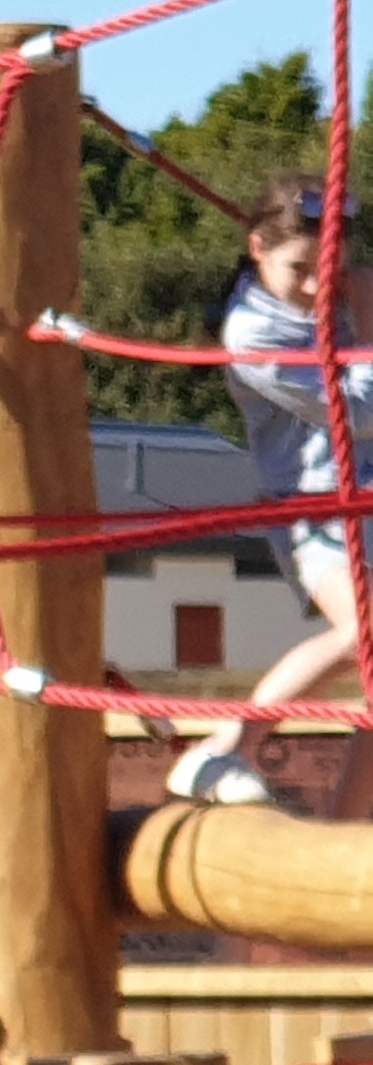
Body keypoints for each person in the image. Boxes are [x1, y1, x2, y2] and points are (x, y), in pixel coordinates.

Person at [177, 173, 373, 814]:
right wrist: (367, 323)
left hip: (363, 499)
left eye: (332, 268)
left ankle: (351, 828)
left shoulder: (338, 294)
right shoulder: (252, 337)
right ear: (257, 246)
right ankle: (226, 746)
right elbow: (357, 410)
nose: (319, 286)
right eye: (301, 269)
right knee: (365, 633)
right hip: (314, 509)